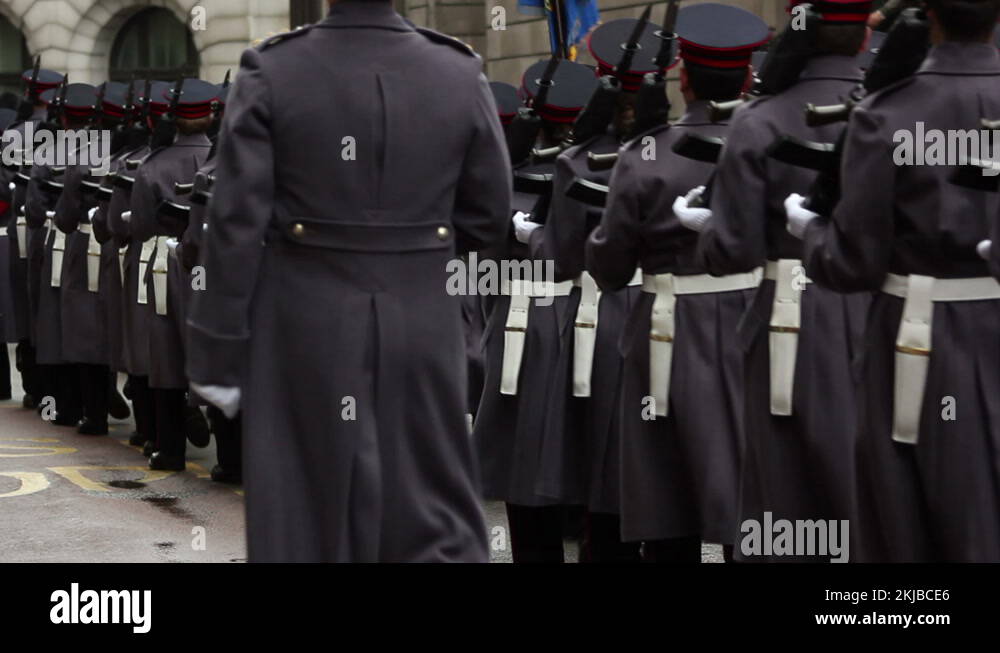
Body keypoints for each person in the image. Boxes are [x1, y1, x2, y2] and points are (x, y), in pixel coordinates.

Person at [186, 0, 510, 562]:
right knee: (427, 498)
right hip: (423, 318)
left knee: (306, 505)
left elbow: (236, 222)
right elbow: (488, 213)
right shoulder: (457, 69)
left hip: (304, 318)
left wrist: (216, 354)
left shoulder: (272, 68)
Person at [789, 0, 1000, 561]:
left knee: (905, 524)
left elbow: (852, 263)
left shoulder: (888, 111)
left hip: (918, 338)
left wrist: (809, 231)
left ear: (929, 13)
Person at [675, 0, 873, 561]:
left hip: (791, 314)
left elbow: (732, 250)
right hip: (894, 314)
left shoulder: (759, 118)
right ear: (863, 39)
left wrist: (708, 228)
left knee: (785, 495)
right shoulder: (898, 106)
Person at [588, 2, 769, 563]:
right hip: (755, 320)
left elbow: (610, 266)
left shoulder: (645, 155)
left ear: (682, 79)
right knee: (755, 485)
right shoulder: (764, 142)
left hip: (667, 331)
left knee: (667, 496)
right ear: (745, 75)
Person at [473, 58, 597, 563]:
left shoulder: (504, 172)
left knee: (525, 464)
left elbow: (483, 261)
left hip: (528, 313)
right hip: (601, 313)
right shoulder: (613, 157)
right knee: (598, 460)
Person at [130, 79, 217, 471]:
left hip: (169, 263)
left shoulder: (154, 166)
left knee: (166, 355)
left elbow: (141, 228)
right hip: (219, 268)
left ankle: (170, 448)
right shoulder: (226, 158)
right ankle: (229, 455)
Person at [2, 66, 64, 408]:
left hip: (23, 224)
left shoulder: (15, 133)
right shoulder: (73, 134)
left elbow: (3, 184)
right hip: (59, 226)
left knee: (27, 304)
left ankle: (35, 385)